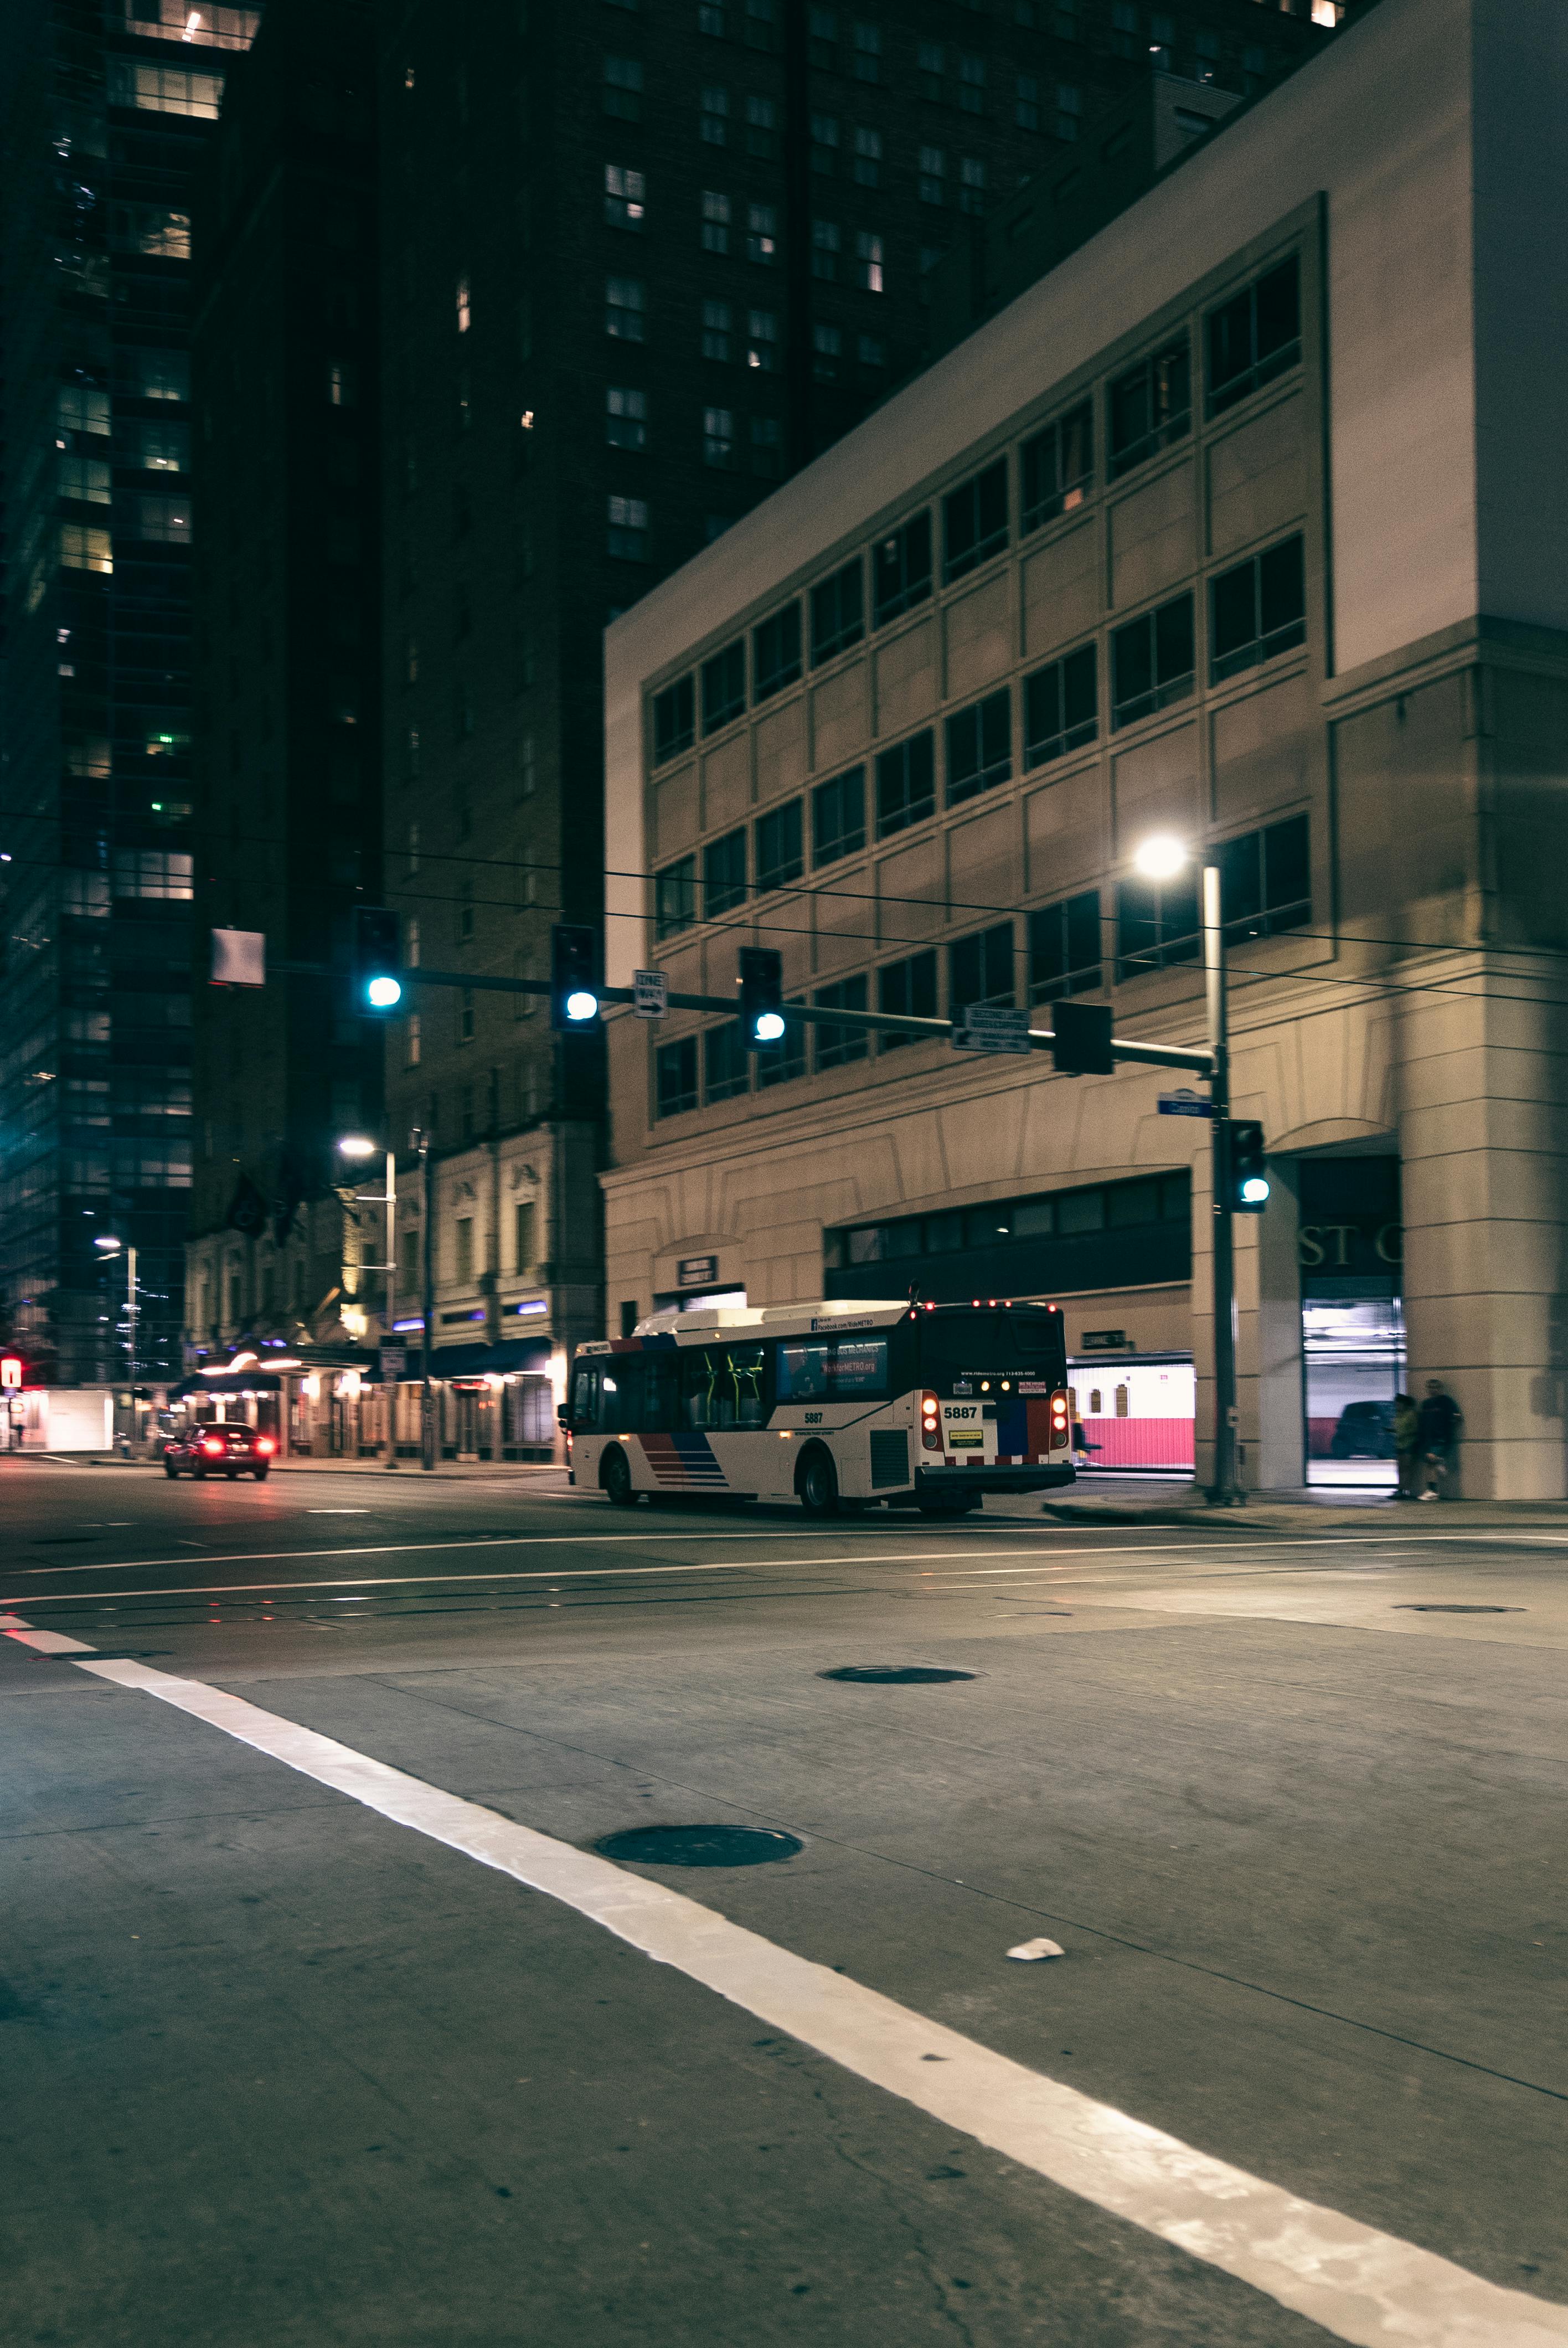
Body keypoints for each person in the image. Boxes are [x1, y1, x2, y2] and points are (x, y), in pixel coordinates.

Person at [1415, 1378, 1463, 1499]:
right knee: (1430, 1462)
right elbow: (1423, 1421)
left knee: (1430, 1463)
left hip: (1440, 1437)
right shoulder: (1426, 1404)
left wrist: (1449, 1428)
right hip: (1428, 1439)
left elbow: (1457, 1417)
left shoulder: (1446, 1402)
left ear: (1440, 1389)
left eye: (1435, 1387)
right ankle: (1440, 1463)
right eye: (1430, 1388)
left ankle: (1432, 1490)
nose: (1433, 1390)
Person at [1391, 1391, 1419, 1500]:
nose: (1397, 1406)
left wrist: (1404, 1435)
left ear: (1404, 1404)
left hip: (1409, 1444)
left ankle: (1406, 1490)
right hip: (1399, 1444)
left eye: (1399, 1404)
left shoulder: (1411, 1414)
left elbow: (1416, 1429)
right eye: (1396, 1404)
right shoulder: (1398, 1415)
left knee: (1407, 1468)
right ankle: (1400, 1489)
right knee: (1401, 1468)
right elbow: (1397, 1428)